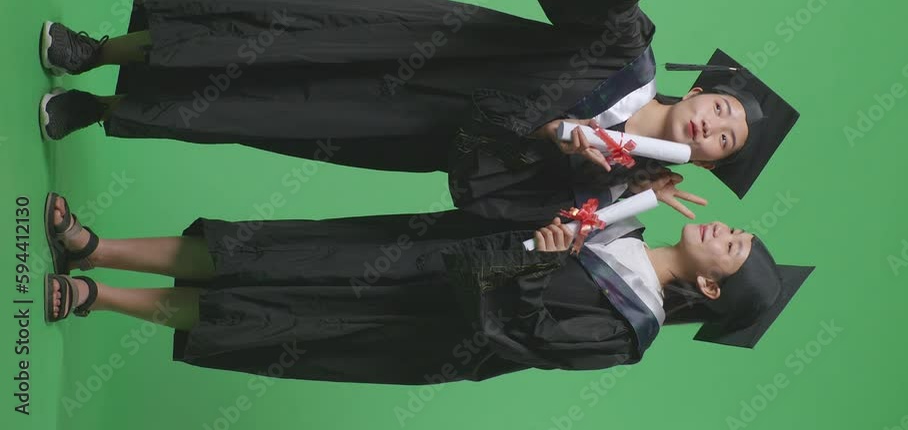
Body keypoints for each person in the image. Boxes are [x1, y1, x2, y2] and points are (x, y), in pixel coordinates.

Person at [37, 0, 795, 223]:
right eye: (721, 108)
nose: (712, 125)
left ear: (711, 162)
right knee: (273, 38)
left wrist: (596, 177)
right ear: (703, 88)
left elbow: (484, 200)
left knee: (260, 110)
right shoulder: (630, 47)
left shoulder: (604, 187)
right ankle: (97, 49)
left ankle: (101, 106)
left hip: (407, 128)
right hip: (431, 43)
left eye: (725, 141)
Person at [43, 191, 812, 384]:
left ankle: (98, 297)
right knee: (267, 250)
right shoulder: (623, 225)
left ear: (713, 291)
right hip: (420, 247)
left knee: (265, 312)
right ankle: (93, 244)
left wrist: (538, 259)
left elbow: (518, 336)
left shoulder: (626, 332)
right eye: (738, 229)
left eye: (735, 249)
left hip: (413, 321)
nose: (727, 230)